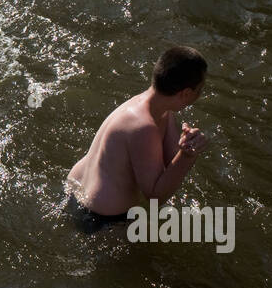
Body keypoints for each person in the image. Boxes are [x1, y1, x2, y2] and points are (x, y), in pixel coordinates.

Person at [64, 46, 209, 232]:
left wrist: (186, 146)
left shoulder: (155, 108)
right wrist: (188, 156)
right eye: (200, 90)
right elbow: (156, 197)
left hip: (76, 190)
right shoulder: (144, 126)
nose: (200, 94)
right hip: (100, 218)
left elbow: (171, 162)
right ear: (186, 93)